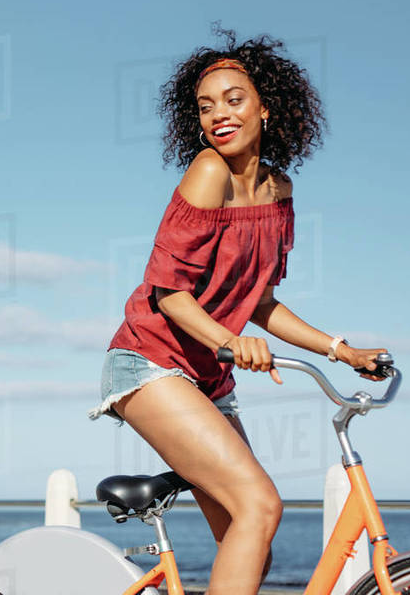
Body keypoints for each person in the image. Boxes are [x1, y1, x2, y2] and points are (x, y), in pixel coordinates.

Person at [90, 29, 388, 595]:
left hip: (207, 376)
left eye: (234, 99)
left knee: (252, 546)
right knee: (260, 504)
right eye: (206, 107)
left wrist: (341, 350)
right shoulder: (209, 172)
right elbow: (167, 293)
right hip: (150, 363)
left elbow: (263, 302)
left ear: (266, 108)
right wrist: (230, 340)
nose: (218, 116)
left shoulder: (279, 190)